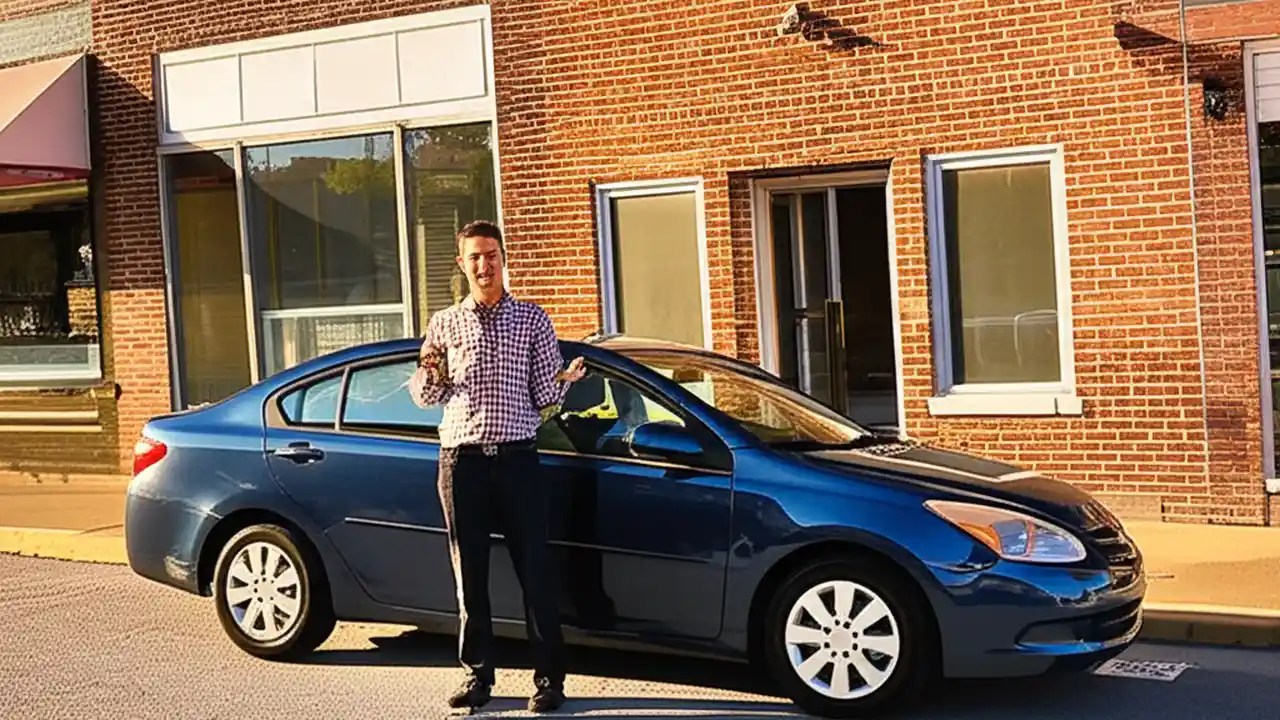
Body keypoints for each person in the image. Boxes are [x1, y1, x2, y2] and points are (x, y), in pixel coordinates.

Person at [409, 220, 585, 713]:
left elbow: (543, 397)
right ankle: (476, 677)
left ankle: (550, 680)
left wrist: (566, 379)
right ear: (461, 265)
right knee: (472, 574)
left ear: (504, 259)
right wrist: (428, 371)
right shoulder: (444, 323)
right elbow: (430, 396)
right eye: (474, 258)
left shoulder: (532, 319)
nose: (484, 265)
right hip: (461, 462)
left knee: (536, 571)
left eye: (491, 255)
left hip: (517, 460)